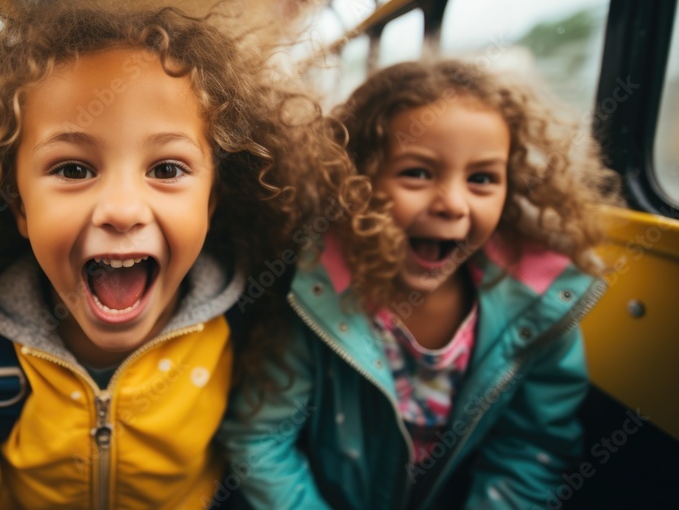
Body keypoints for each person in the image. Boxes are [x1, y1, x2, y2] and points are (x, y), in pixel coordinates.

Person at [0, 0, 387, 509]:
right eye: (73, 168)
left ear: (211, 203)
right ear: (20, 207)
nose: (122, 209)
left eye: (168, 167)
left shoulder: (250, 319)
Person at [219, 59, 621, 509]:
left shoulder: (540, 302)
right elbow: (261, 440)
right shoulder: (315, 291)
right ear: (357, 181)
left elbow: (532, 449)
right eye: (418, 172)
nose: (452, 203)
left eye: (483, 179)